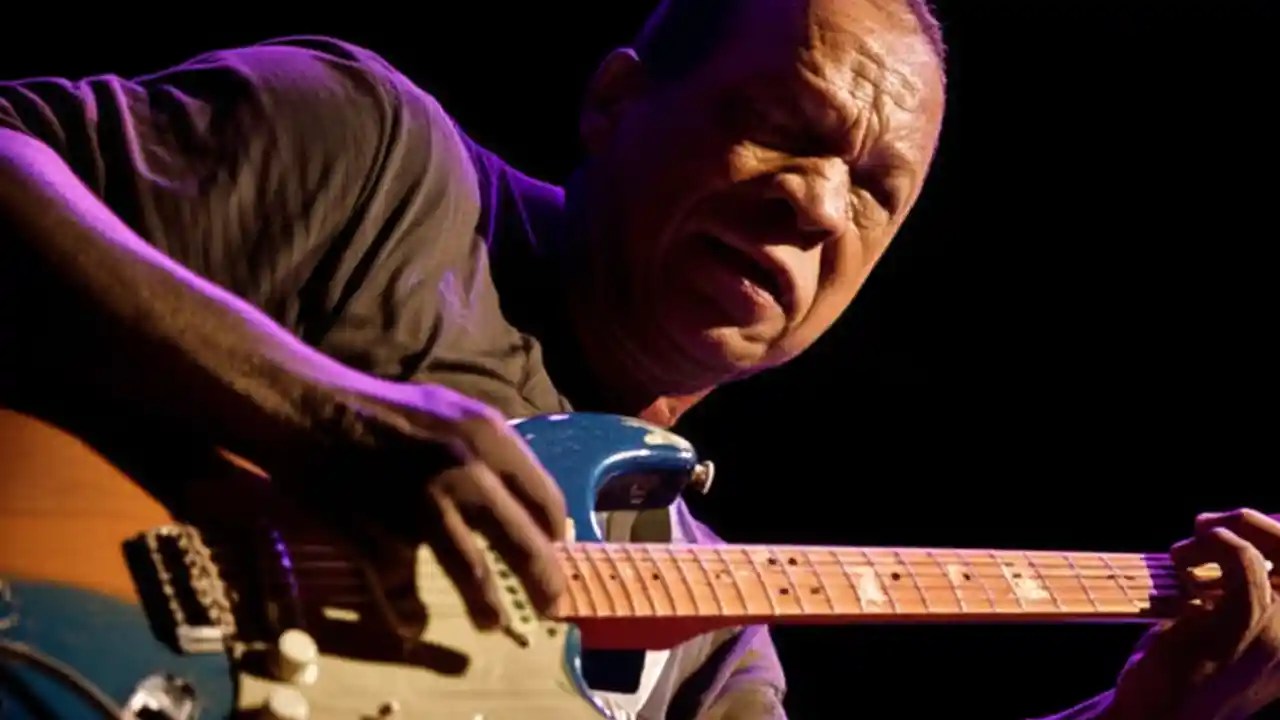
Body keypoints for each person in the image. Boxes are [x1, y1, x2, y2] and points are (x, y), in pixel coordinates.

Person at [1, 0, 1277, 718]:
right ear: (613, 101)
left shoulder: (706, 635)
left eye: (875, 192)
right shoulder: (374, 162)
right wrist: (324, 417)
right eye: (783, 131)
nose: (819, 208)